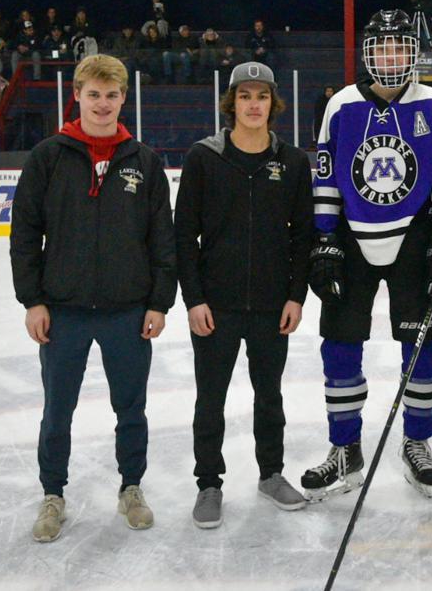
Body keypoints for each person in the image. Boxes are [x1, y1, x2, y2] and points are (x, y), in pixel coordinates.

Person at [9, 54, 176, 543]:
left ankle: (131, 487)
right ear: (77, 95)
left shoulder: (143, 161)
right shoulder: (47, 157)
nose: (102, 104)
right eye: (94, 94)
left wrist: (159, 302)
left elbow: (161, 240)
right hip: (64, 310)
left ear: (124, 98)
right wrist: (32, 300)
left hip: (128, 311)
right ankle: (52, 494)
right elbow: (24, 234)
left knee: (131, 408)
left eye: (112, 95)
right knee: (57, 410)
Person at [304, 9, 432, 500]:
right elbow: (327, 177)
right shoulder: (341, 106)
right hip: (353, 237)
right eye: (383, 47)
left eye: (400, 46)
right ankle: (344, 446)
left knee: (421, 344)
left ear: (414, 53)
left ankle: (416, 441)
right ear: (367, 53)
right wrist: (325, 238)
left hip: (414, 238)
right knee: (340, 343)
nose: (391, 56)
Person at [174, 61, 314, 528]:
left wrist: (297, 296)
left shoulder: (292, 162)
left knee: (269, 395)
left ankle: (270, 474)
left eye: (262, 97)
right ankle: (209, 483)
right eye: (245, 96)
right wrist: (193, 299)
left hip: (273, 306)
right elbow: (182, 238)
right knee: (210, 400)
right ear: (230, 102)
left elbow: (303, 238)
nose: (254, 105)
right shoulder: (203, 158)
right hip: (215, 305)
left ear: (274, 104)